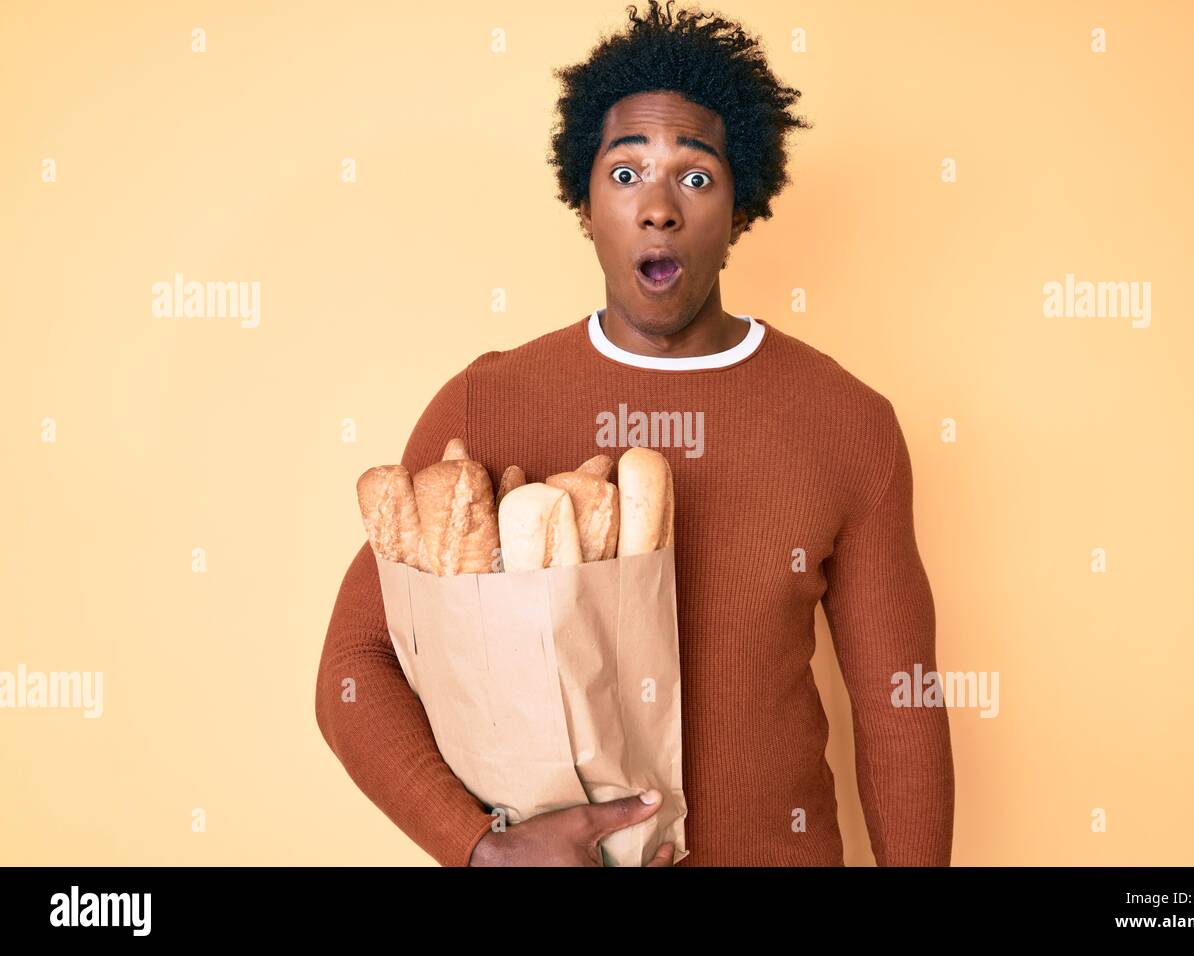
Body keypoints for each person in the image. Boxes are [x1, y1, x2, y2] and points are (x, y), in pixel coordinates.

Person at [315, 0, 955, 867]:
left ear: (741, 208)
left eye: (696, 177)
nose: (658, 208)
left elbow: (897, 705)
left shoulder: (847, 423)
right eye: (625, 174)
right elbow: (355, 667)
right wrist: (481, 849)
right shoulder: (485, 405)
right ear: (584, 204)